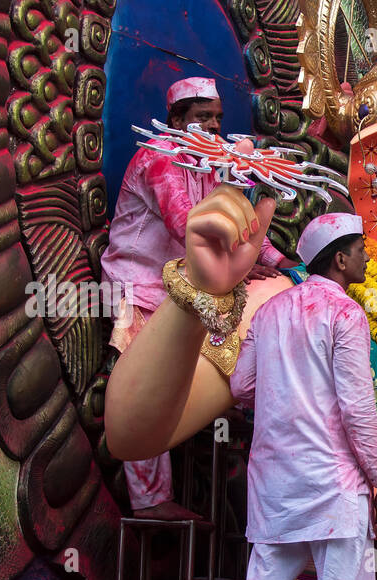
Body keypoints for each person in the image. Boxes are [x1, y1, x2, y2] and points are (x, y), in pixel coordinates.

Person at [226, 213, 377, 580]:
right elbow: (357, 408)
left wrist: (284, 398)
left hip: (275, 487)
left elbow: (240, 385)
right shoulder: (344, 311)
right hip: (334, 484)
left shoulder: (270, 311)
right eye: (360, 251)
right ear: (340, 260)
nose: (367, 259)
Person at [100, 77, 290, 520]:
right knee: (144, 377)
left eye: (219, 118)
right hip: (140, 285)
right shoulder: (158, 160)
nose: (214, 126)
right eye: (203, 117)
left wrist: (282, 263)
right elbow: (187, 226)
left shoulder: (209, 167)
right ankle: (150, 503)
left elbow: (241, 232)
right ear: (177, 120)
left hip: (189, 287)